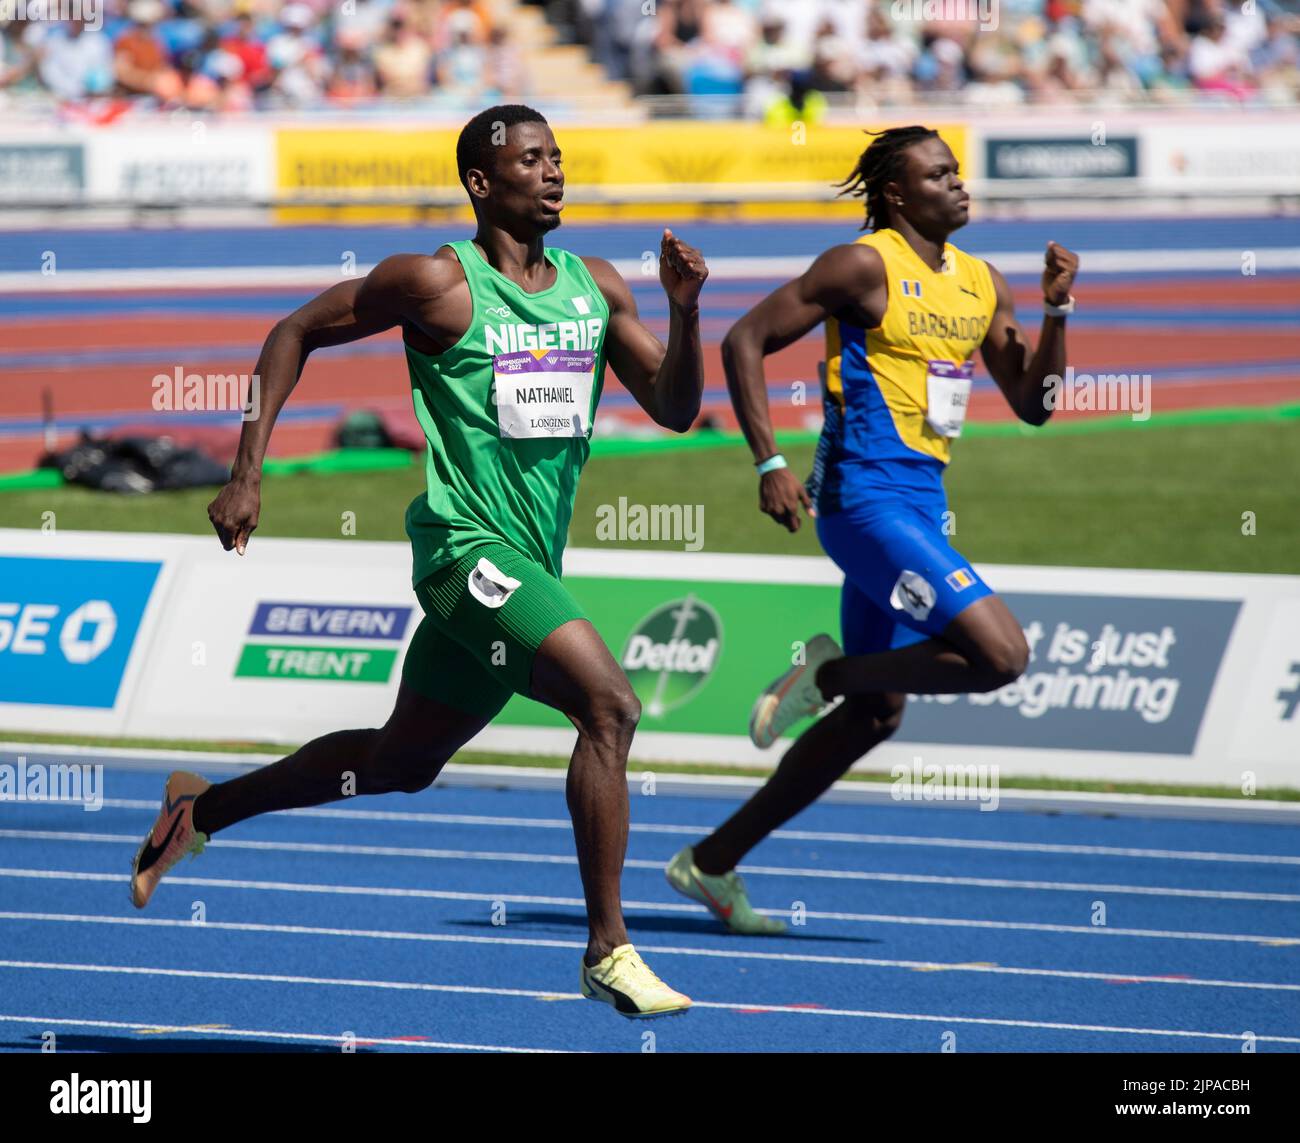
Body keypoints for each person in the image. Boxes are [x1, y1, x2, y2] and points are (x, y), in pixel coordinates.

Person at [129, 104, 709, 1019]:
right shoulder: (438, 283)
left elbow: (676, 408)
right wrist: (248, 473)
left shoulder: (596, 288)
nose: (554, 171)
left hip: (530, 563)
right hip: (460, 554)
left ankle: (199, 810)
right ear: (483, 183)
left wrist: (685, 312)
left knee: (400, 762)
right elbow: (294, 333)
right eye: (531, 160)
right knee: (610, 705)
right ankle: (609, 948)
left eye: (558, 155)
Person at [665, 125, 1078, 934]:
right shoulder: (862, 265)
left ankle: (710, 863)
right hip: (861, 503)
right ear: (896, 192)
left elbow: (1034, 403)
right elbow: (744, 338)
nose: (960, 184)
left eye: (959, 171)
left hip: (920, 504)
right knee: (1003, 656)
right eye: (939, 174)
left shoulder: (982, 281)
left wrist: (1057, 308)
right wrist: (766, 463)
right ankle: (827, 675)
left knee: (878, 715)